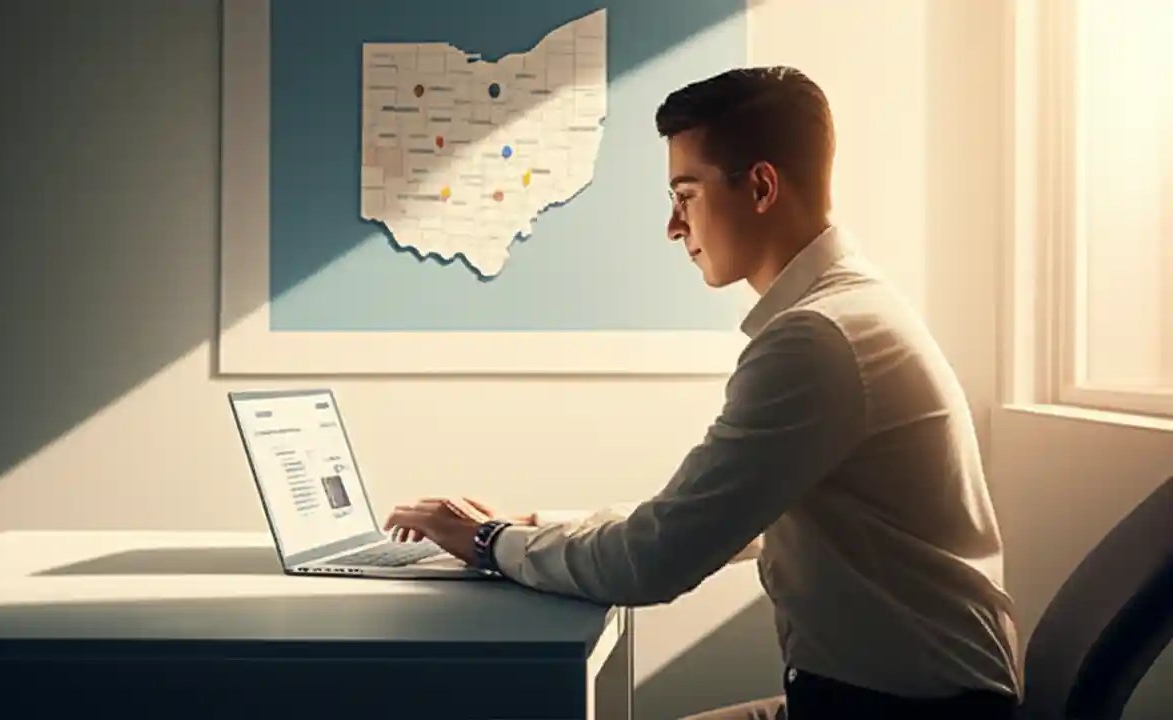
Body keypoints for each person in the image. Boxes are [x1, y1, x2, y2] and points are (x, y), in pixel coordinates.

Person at [383, 66, 1022, 719]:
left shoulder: (816, 341)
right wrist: (535, 527)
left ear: (762, 187)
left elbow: (653, 562)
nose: (672, 225)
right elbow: (708, 518)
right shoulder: (851, 311)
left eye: (685, 195)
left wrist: (490, 542)